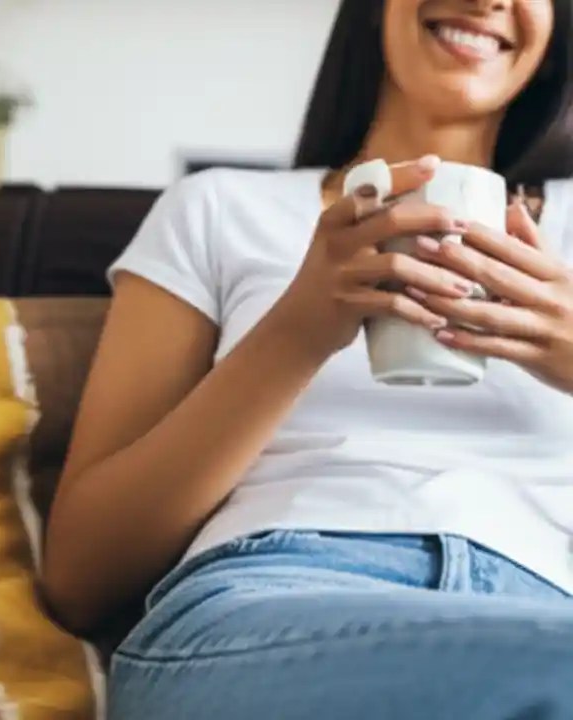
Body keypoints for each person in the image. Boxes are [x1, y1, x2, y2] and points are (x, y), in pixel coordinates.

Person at [40, 0, 573, 717]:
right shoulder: (219, 209)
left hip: (545, 597)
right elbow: (82, 576)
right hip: (274, 602)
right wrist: (300, 329)